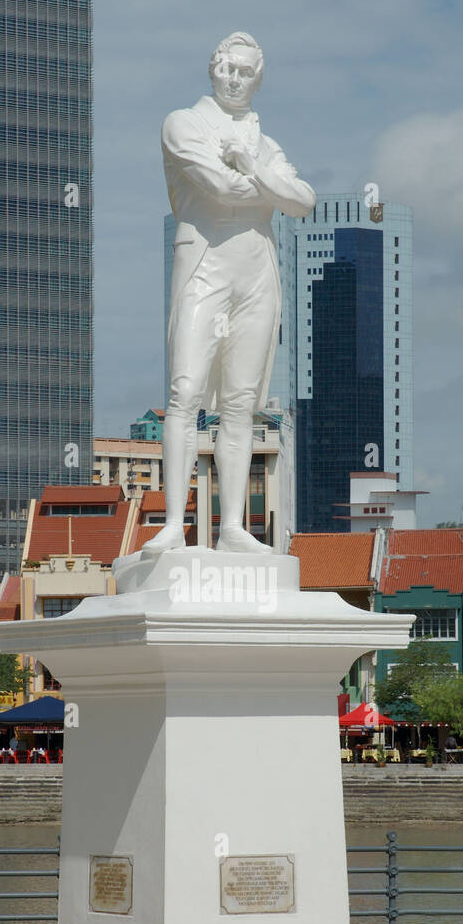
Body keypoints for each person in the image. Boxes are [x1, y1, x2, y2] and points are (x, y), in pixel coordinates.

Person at [144, 32, 316, 557]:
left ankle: (234, 528)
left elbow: (303, 201)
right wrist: (264, 186)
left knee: (243, 404)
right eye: (228, 68)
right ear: (213, 69)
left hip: (256, 274)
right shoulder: (183, 123)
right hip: (204, 265)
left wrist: (251, 165)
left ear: (258, 79)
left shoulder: (264, 144)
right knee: (185, 392)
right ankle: (175, 524)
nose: (236, 78)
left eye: (246, 71)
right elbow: (217, 189)